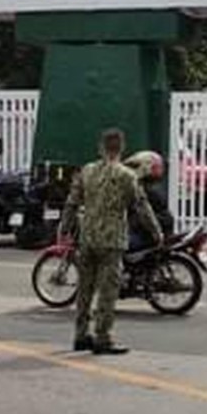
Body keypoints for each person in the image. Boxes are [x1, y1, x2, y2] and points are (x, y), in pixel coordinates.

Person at [58, 128, 162, 356]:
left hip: (88, 237)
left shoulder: (87, 171)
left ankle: (81, 335)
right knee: (107, 291)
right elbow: (141, 207)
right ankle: (102, 338)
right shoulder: (127, 176)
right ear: (121, 148)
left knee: (85, 288)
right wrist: (156, 232)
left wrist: (64, 229)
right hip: (112, 241)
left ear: (100, 147)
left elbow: (72, 202)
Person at [124, 150, 174, 252]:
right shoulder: (154, 190)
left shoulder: (146, 191)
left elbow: (144, 214)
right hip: (154, 233)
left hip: (145, 236)